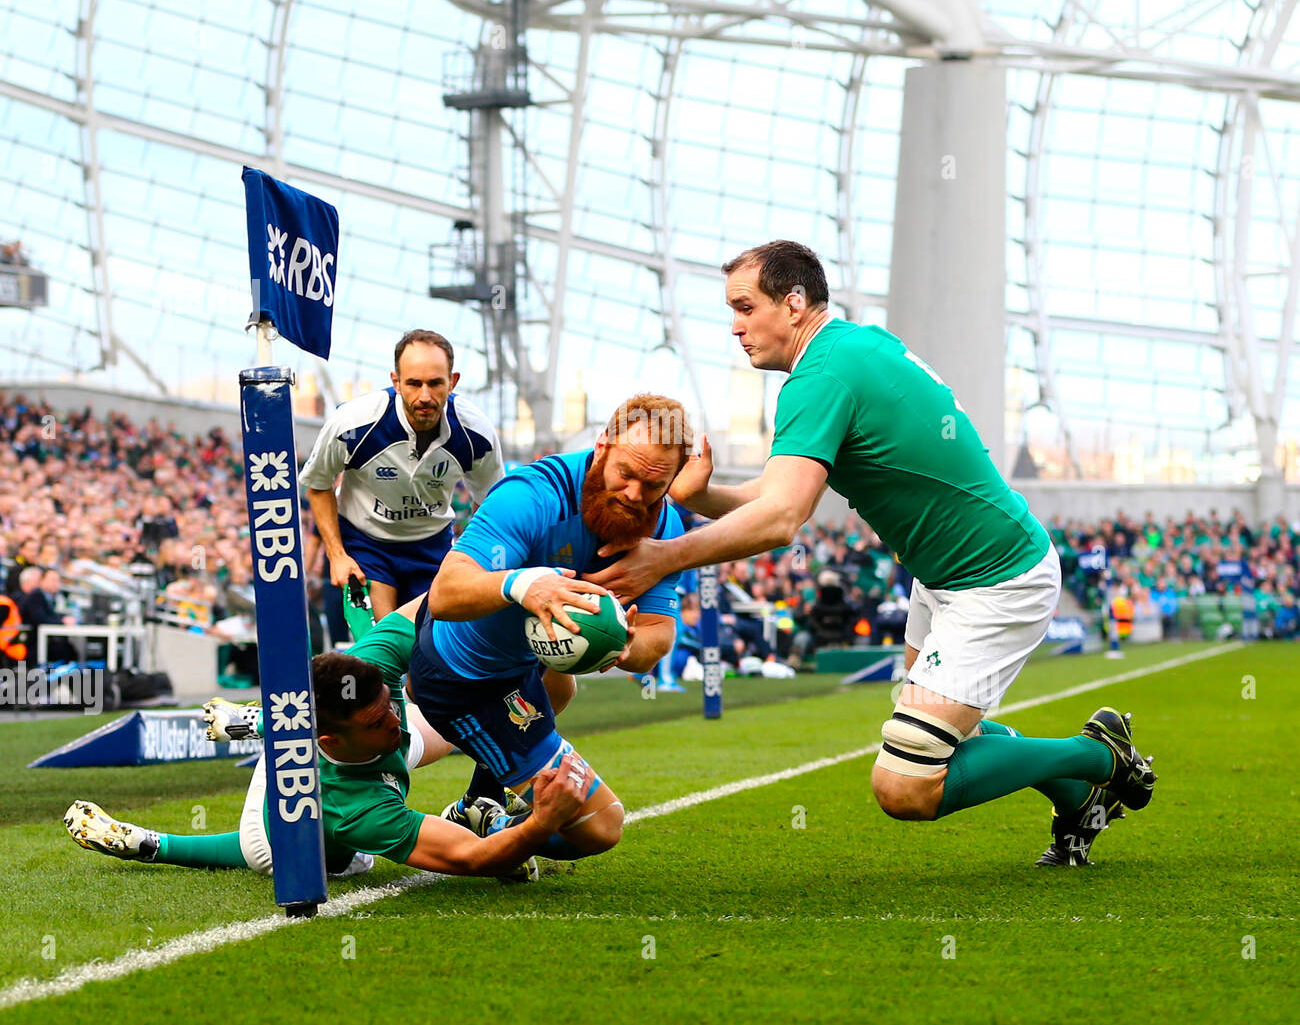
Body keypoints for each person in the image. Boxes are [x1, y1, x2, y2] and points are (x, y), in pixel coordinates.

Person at [593, 240, 1157, 867]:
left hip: (998, 578)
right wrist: (705, 499)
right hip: (948, 574)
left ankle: (1101, 757)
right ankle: (1075, 790)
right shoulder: (852, 350)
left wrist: (663, 557)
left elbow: (782, 518)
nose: (736, 326)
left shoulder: (822, 375)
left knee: (906, 784)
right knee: (933, 732)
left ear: (795, 301)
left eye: (746, 307)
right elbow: (779, 490)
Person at [64, 602, 592, 881]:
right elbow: (474, 861)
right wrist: (541, 824)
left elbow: (432, 607)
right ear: (329, 736)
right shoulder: (354, 811)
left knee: (493, 709)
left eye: (390, 701)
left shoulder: (365, 675)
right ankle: (151, 845)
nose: (397, 718)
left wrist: (527, 619)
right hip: (297, 831)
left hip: (338, 744)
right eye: (379, 714)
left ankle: (480, 800)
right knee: (255, 851)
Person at [410, 394, 689, 867]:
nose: (635, 495)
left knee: (562, 688)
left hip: (524, 667)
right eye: (626, 473)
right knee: (602, 827)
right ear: (601, 446)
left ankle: (478, 806)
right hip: (460, 677)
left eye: (654, 484)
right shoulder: (532, 496)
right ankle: (493, 833)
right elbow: (445, 594)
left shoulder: (663, 525)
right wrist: (526, 585)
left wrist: (626, 643)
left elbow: (659, 634)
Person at [299, 329, 504, 624]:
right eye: (413, 383)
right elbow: (318, 485)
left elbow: (489, 503)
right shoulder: (353, 424)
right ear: (395, 381)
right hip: (367, 543)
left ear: (453, 382)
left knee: (429, 653)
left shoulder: (476, 433)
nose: (424, 396)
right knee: (385, 647)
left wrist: (473, 557)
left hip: (432, 546)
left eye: (435, 384)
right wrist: (338, 555)